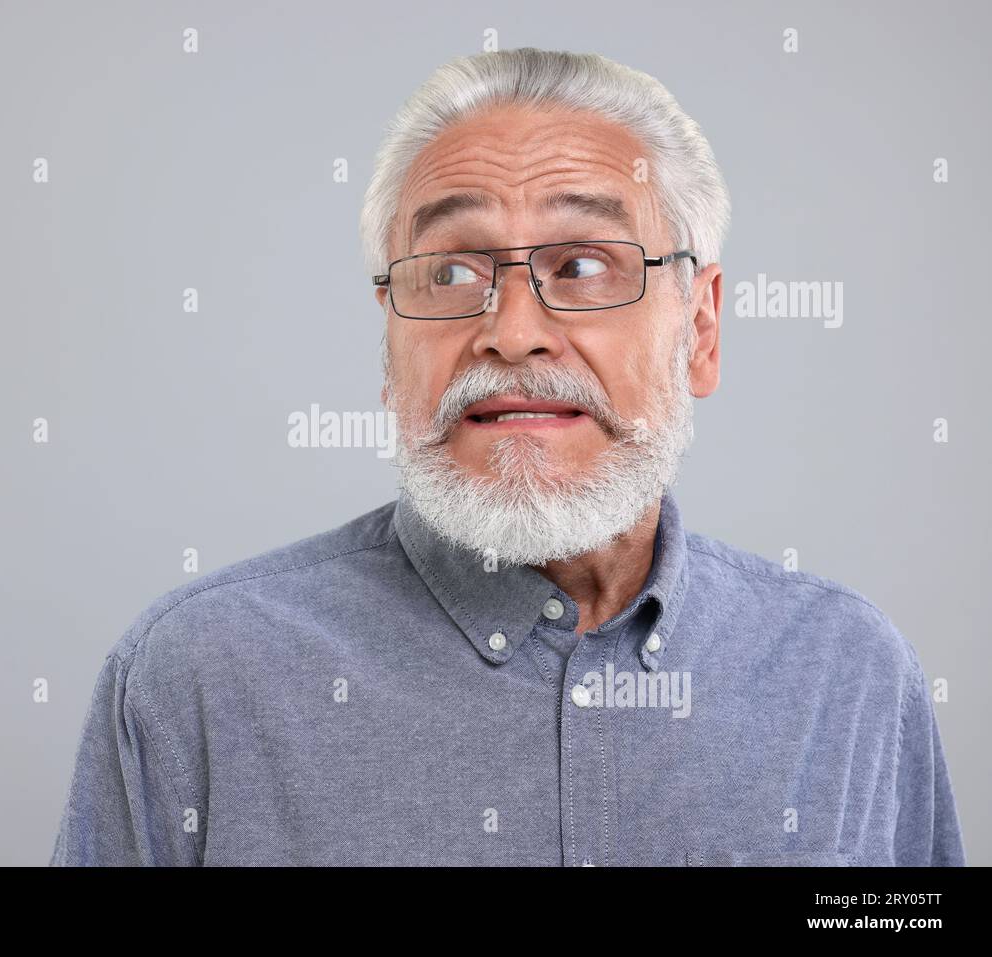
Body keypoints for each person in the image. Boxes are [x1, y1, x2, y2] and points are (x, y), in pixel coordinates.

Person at [50, 47, 964, 866]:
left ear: (701, 328)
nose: (513, 333)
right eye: (451, 273)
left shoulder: (849, 680)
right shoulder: (198, 680)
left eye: (583, 267)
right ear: (388, 344)